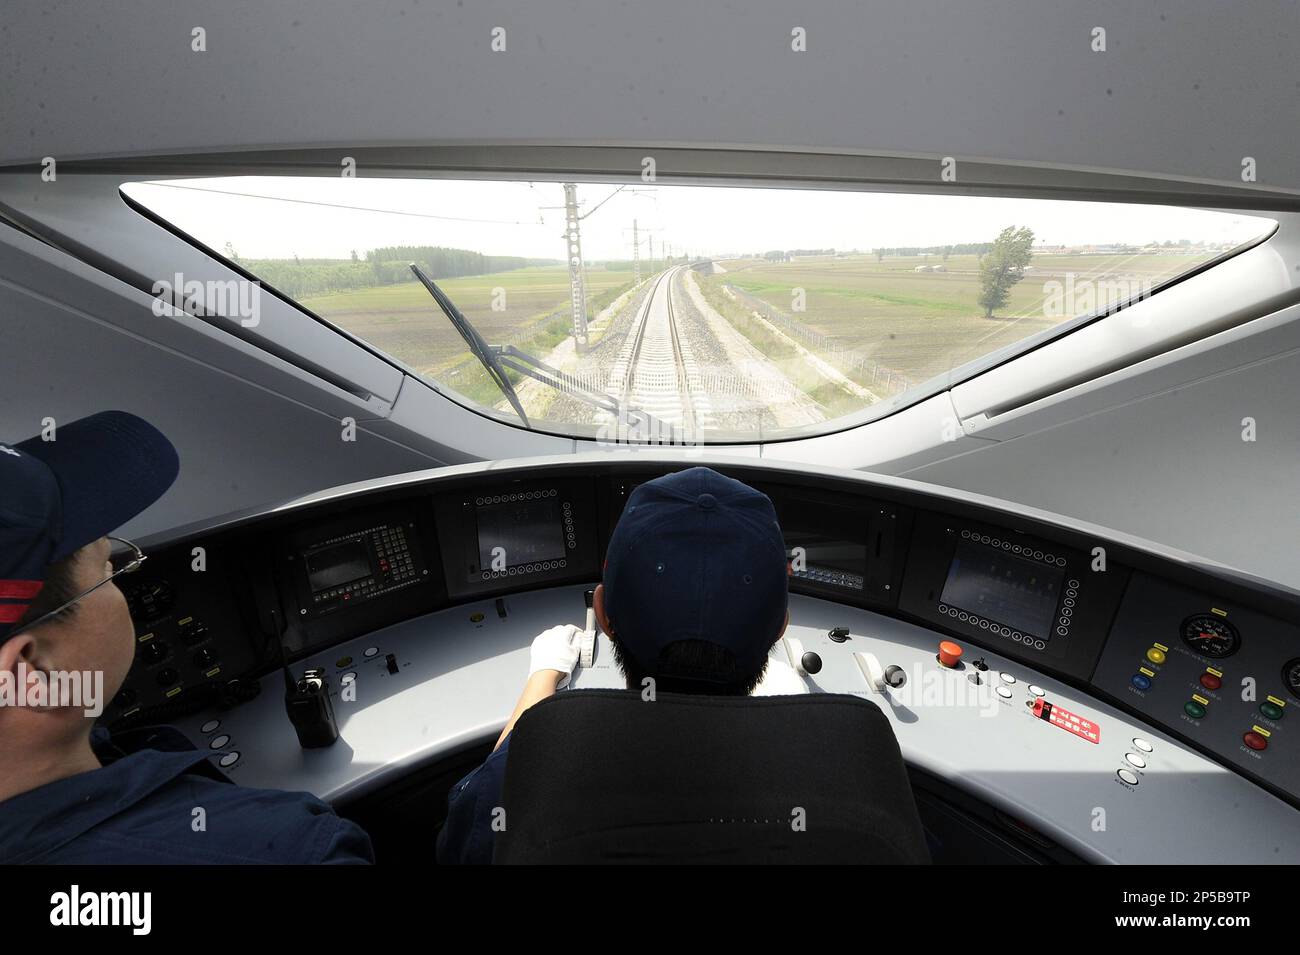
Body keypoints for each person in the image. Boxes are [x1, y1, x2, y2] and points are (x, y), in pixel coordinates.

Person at [0, 411, 374, 864]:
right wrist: (485, 781)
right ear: (32, 674)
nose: (120, 576)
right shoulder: (298, 851)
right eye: (106, 569)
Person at [437, 465, 791, 865]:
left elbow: (487, 801)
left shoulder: (513, 791)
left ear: (602, 616)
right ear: (780, 626)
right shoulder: (827, 777)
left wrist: (543, 676)